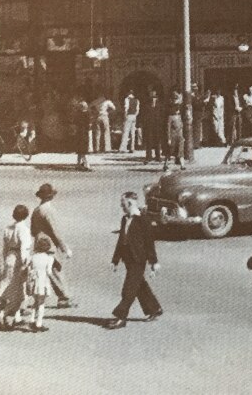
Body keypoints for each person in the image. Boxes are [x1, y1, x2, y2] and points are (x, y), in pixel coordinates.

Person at [106, 191, 162, 330]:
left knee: (128, 289)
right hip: (128, 259)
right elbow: (121, 241)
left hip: (138, 259)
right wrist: (115, 260)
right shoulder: (125, 219)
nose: (121, 206)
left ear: (130, 203)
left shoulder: (143, 220)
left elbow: (149, 243)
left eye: (122, 203)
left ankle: (121, 317)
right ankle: (154, 309)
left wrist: (153, 262)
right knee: (139, 285)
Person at [0, 204, 32, 328]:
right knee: (18, 292)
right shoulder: (24, 229)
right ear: (26, 215)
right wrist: (25, 264)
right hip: (18, 259)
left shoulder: (8, 229)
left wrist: (5, 260)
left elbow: (5, 247)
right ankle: (3, 314)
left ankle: (16, 317)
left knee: (11, 288)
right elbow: (24, 248)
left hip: (9, 258)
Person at [31, 183, 76, 308]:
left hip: (38, 244)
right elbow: (56, 231)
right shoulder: (48, 210)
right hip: (49, 245)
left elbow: (33, 231)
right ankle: (64, 298)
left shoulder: (36, 210)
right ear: (51, 196)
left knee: (47, 270)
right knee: (55, 269)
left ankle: (61, 297)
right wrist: (64, 248)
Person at [24, 235, 55, 332]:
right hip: (43, 282)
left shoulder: (32, 257)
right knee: (41, 303)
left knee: (35, 302)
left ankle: (32, 320)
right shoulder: (49, 258)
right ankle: (39, 323)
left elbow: (28, 268)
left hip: (33, 282)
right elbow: (49, 272)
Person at [164, 92, 184, 172]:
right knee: (170, 151)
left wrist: (183, 137)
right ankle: (166, 164)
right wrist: (168, 138)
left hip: (179, 135)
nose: (178, 111)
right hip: (172, 136)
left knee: (180, 150)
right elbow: (168, 128)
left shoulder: (179, 117)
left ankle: (182, 165)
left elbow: (181, 127)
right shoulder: (171, 117)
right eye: (177, 109)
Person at [142, 87, 162, 163]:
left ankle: (158, 156)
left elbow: (162, 114)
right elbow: (144, 113)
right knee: (149, 141)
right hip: (149, 124)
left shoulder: (160, 103)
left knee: (157, 140)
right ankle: (148, 156)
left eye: (153, 92)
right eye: (151, 92)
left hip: (157, 124)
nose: (152, 94)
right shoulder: (146, 103)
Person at [71, 98, 91, 171]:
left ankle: (78, 164)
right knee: (83, 149)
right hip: (84, 133)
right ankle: (86, 164)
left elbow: (75, 123)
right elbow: (89, 124)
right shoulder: (87, 114)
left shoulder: (78, 114)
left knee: (80, 149)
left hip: (79, 132)